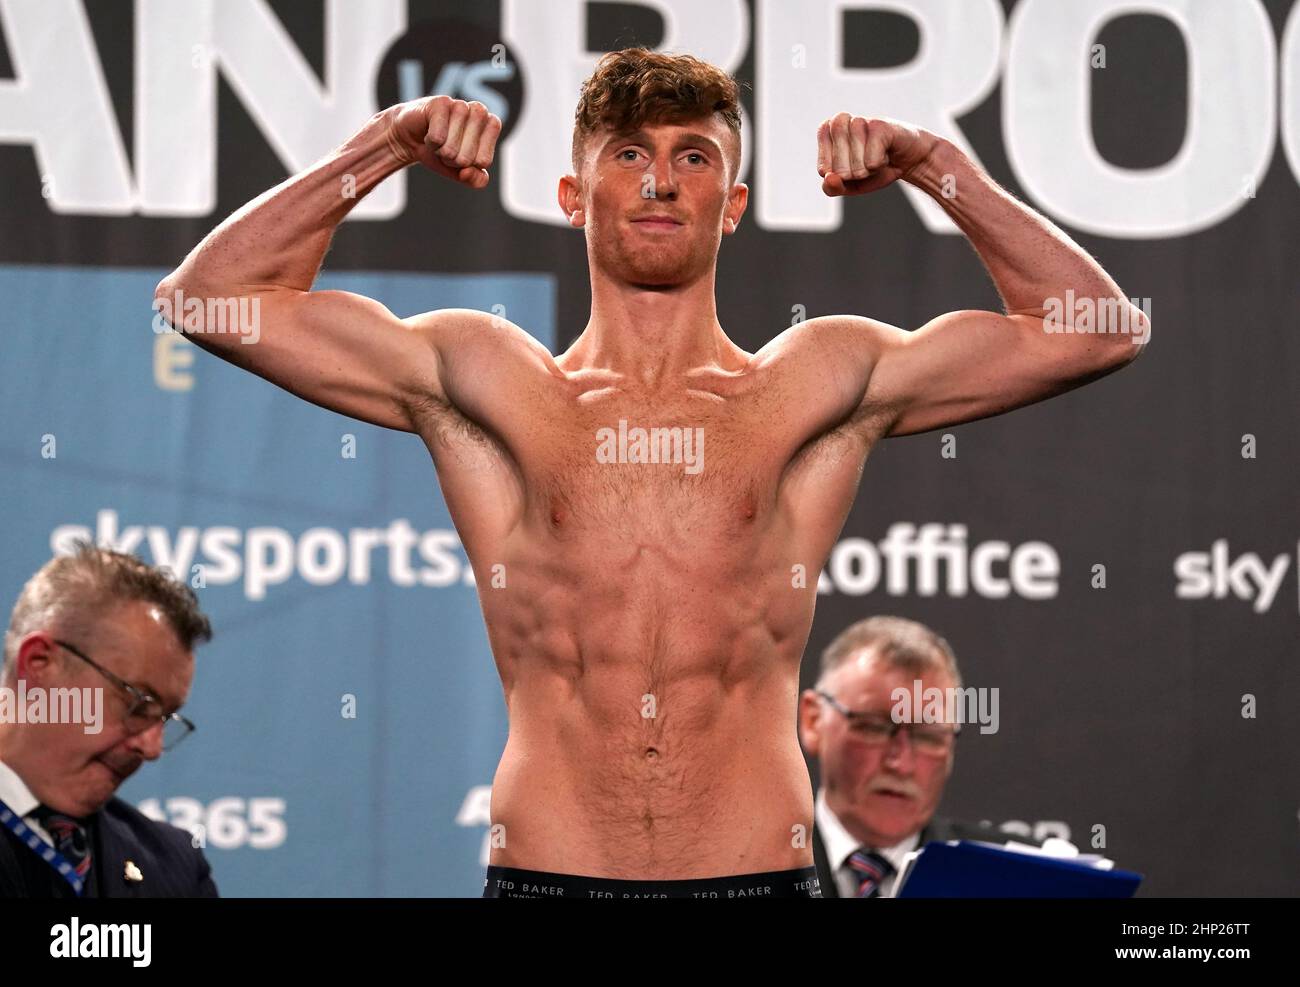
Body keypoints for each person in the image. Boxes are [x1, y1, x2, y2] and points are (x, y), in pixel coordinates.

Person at [155, 47, 1146, 898]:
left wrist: (936, 166)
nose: (661, 181)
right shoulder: (484, 379)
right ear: (573, 198)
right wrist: (386, 145)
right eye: (628, 156)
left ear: (735, 203)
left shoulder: (817, 381)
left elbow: (1095, 332)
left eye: (692, 157)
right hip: (549, 875)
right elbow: (208, 298)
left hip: (755, 877)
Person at [0, 543, 218, 897]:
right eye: (139, 704)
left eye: (164, 718)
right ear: (39, 665)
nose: (152, 748)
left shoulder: (174, 867)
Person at [800, 615, 1048, 898]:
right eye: (873, 727)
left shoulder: (1021, 882)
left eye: (928, 735)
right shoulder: (749, 868)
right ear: (813, 720)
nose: (901, 763)